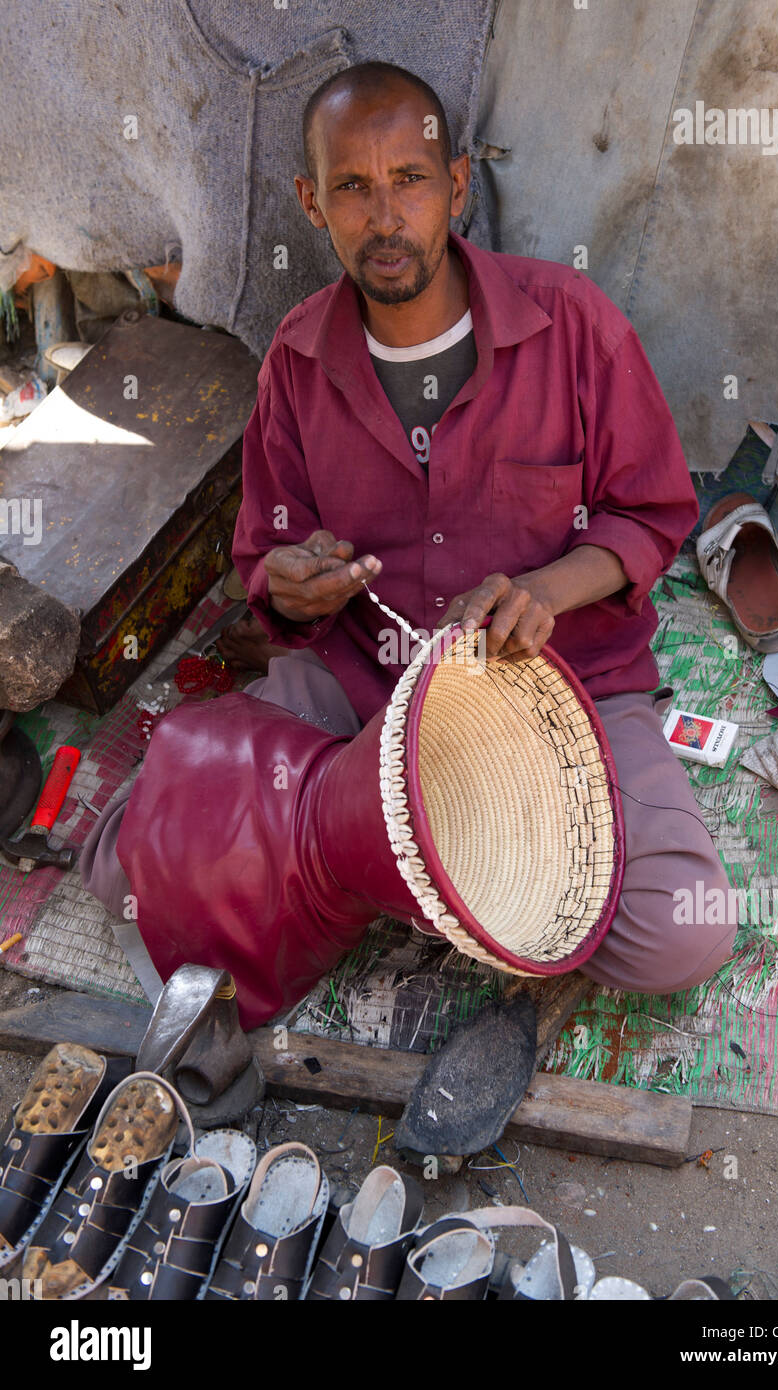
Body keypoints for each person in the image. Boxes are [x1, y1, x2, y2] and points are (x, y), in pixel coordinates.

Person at [81, 60, 735, 1003]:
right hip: (361, 686)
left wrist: (542, 593)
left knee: (680, 936)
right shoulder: (297, 361)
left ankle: (357, 858)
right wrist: (292, 582)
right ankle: (408, 852)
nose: (384, 217)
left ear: (457, 186)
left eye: (410, 181)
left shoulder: (574, 326)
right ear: (312, 202)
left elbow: (650, 515)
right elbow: (268, 559)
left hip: (553, 688)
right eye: (352, 186)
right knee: (126, 871)